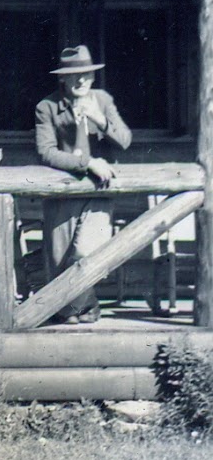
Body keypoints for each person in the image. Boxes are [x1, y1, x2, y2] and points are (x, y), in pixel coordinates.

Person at [35, 45, 132, 324]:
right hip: (63, 195)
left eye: (86, 75)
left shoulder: (102, 100)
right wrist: (87, 163)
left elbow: (125, 140)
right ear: (62, 78)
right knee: (60, 260)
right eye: (74, 75)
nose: (81, 80)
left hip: (99, 193)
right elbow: (46, 152)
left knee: (88, 253)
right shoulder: (47, 107)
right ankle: (84, 308)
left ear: (93, 76)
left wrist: (99, 119)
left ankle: (72, 309)